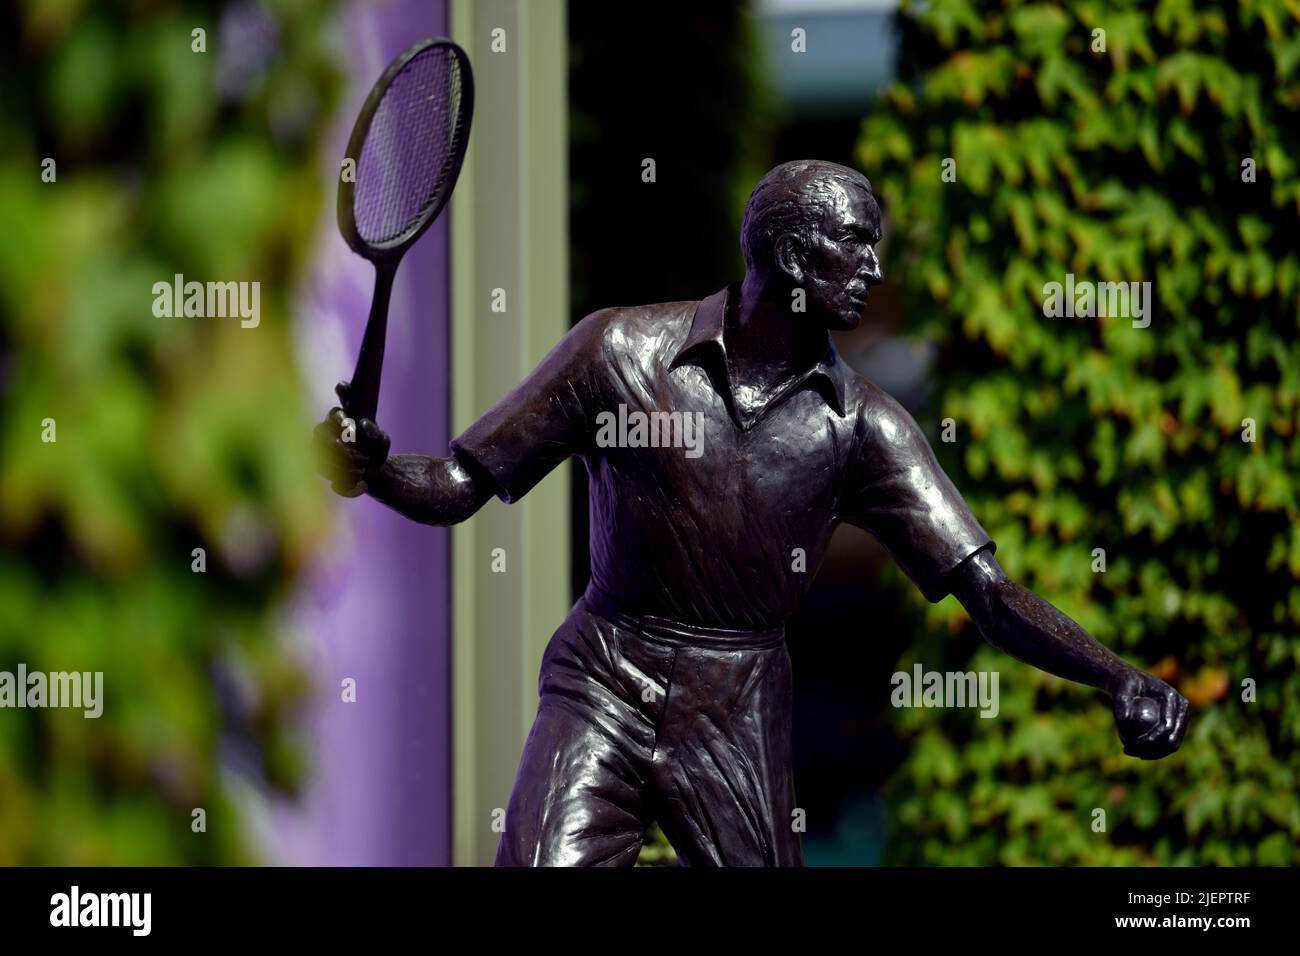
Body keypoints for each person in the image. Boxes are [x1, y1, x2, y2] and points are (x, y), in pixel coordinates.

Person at [314, 159, 1189, 867]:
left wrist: (1119, 677)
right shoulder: (618, 350)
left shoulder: (865, 430)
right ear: (797, 258)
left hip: (736, 706)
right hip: (604, 678)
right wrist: (377, 469)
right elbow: (464, 484)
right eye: (858, 245)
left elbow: (990, 593)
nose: (878, 269)